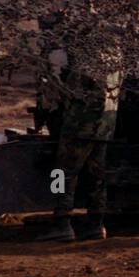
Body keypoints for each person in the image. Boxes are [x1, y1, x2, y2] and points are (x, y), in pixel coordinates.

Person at [35, 47, 121, 243]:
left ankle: (61, 223)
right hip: (104, 126)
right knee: (96, 177)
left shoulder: (87, 58)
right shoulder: (115, 57)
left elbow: (70, 92)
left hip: (80, 126)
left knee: (61, 174)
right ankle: (96, 224)